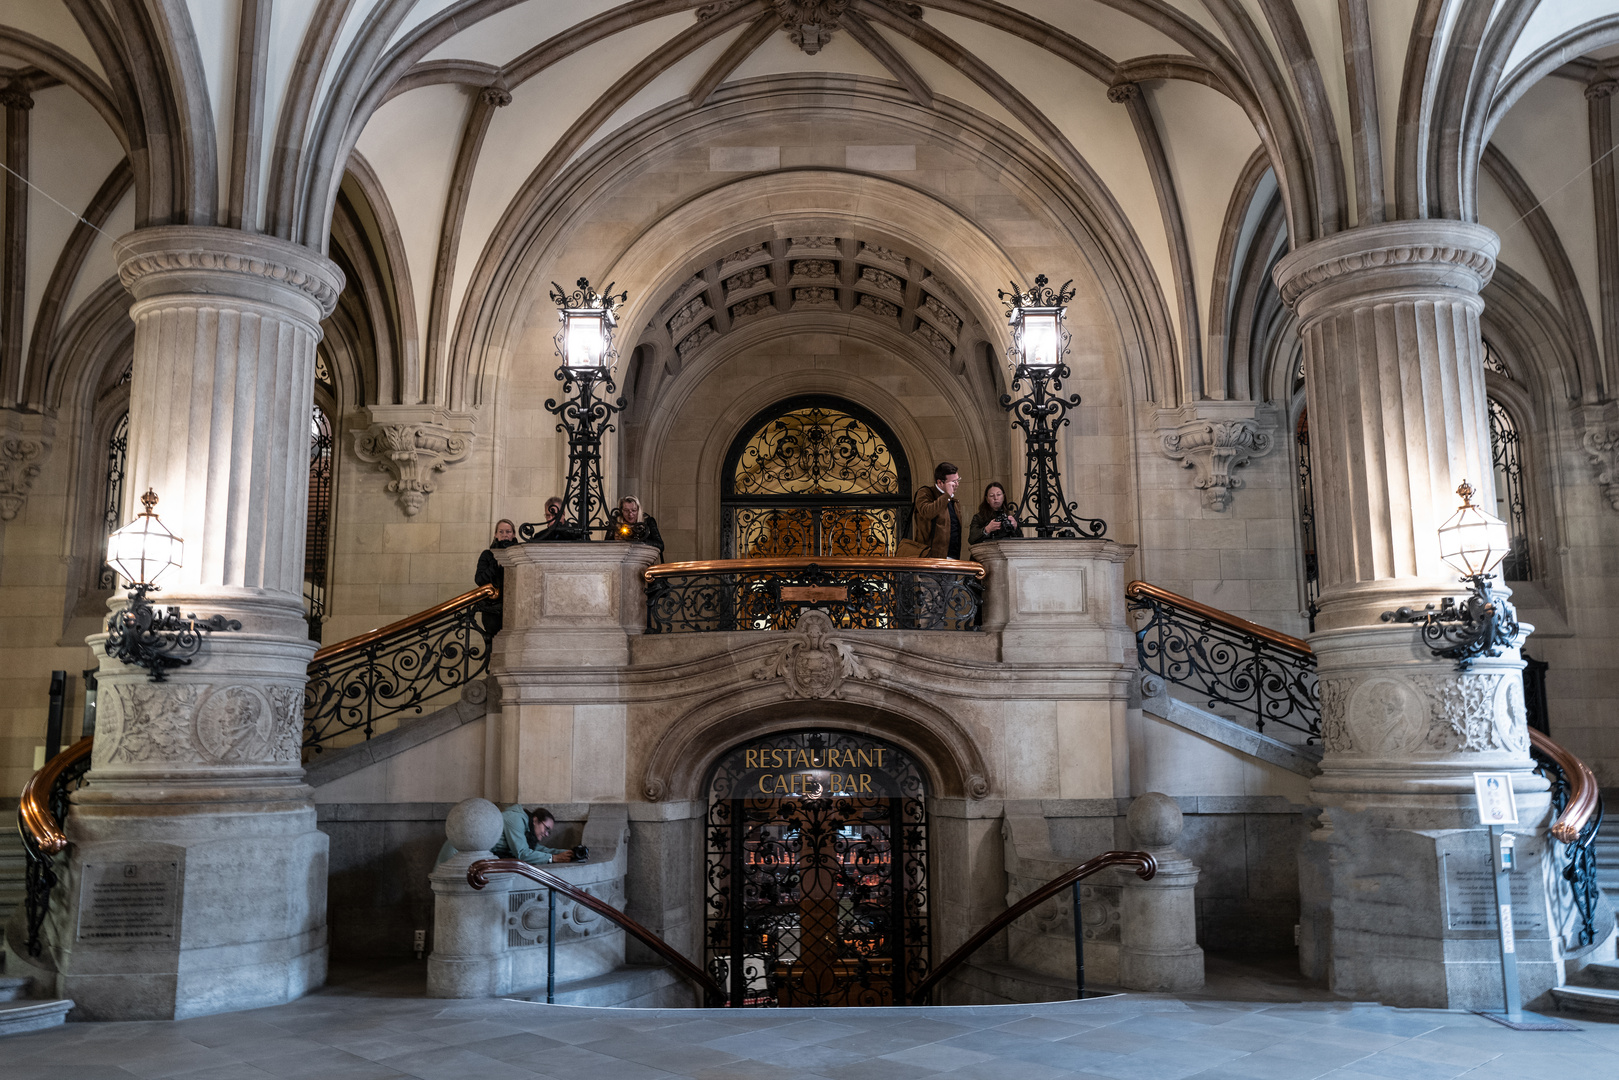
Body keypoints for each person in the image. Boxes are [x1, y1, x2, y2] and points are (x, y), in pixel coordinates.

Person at [474, 519, 517, 635]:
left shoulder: (520, 556)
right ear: (496, 534)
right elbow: (479, 580)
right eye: (501, 532)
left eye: (508, 532)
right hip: (492, 609)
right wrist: (495, 564)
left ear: (513, 534)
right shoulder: (487, 555)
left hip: (515, 607)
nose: (504, 535)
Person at [912, 462, 963, 559]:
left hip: (952, 558)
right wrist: (946, 495)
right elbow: (927, 512)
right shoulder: (925, 493)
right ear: (940, 482)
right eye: (953, 481)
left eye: (958, 480)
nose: (957, 484)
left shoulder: (953, 501)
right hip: (931, 559)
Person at [492, 804, 575, 864]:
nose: (546, 834)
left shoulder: (527, 826)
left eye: (549, 832)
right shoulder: (516, 819)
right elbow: (523, 853)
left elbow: (537, 849)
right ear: (535, 821)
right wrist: (553, 858)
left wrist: (567, 853)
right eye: (546, 828)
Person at [969, 482, 1022, 546]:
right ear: (987, 499)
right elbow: (971, 539)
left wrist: (1015, 527)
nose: (996, 498)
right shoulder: (978, 517)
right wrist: (987, 529)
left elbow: (1020, 540)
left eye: (999, 495)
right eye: (991, 496)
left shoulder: (1009, 517)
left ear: (1003, 497)